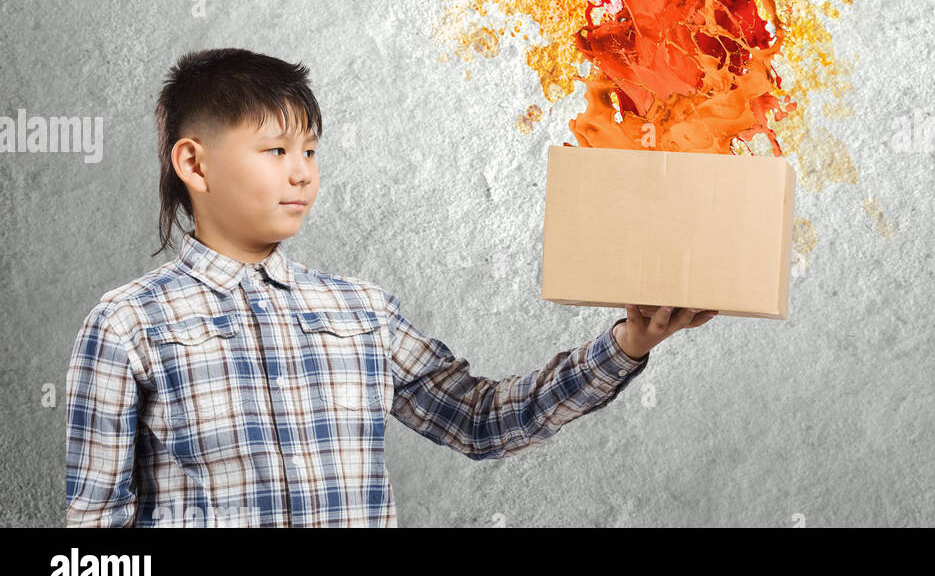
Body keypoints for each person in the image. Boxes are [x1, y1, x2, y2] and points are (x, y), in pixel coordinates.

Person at [65, 48, 717, 526]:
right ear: (194, 162)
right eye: (276, 151)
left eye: (311, 152)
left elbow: (482, 420)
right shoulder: (130, 326)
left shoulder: (360, 314)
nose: (302, 175)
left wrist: (630, 341)